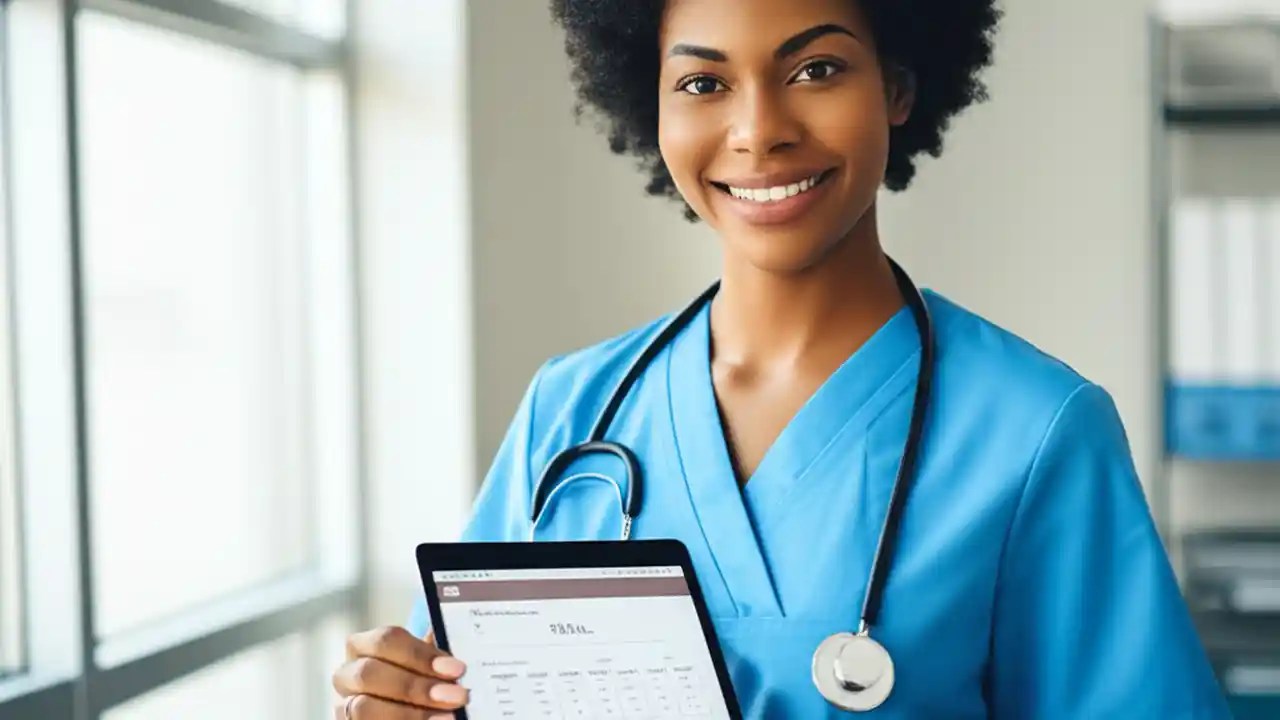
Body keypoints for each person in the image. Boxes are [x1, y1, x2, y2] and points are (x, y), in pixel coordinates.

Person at [332, 0, 1232, 717]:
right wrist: (400, 701)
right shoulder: (571, 410)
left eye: (817, 69)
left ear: (900, 89)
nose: (758, 131)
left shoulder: (1035, 431)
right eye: (701, 83)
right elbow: (457, 693)